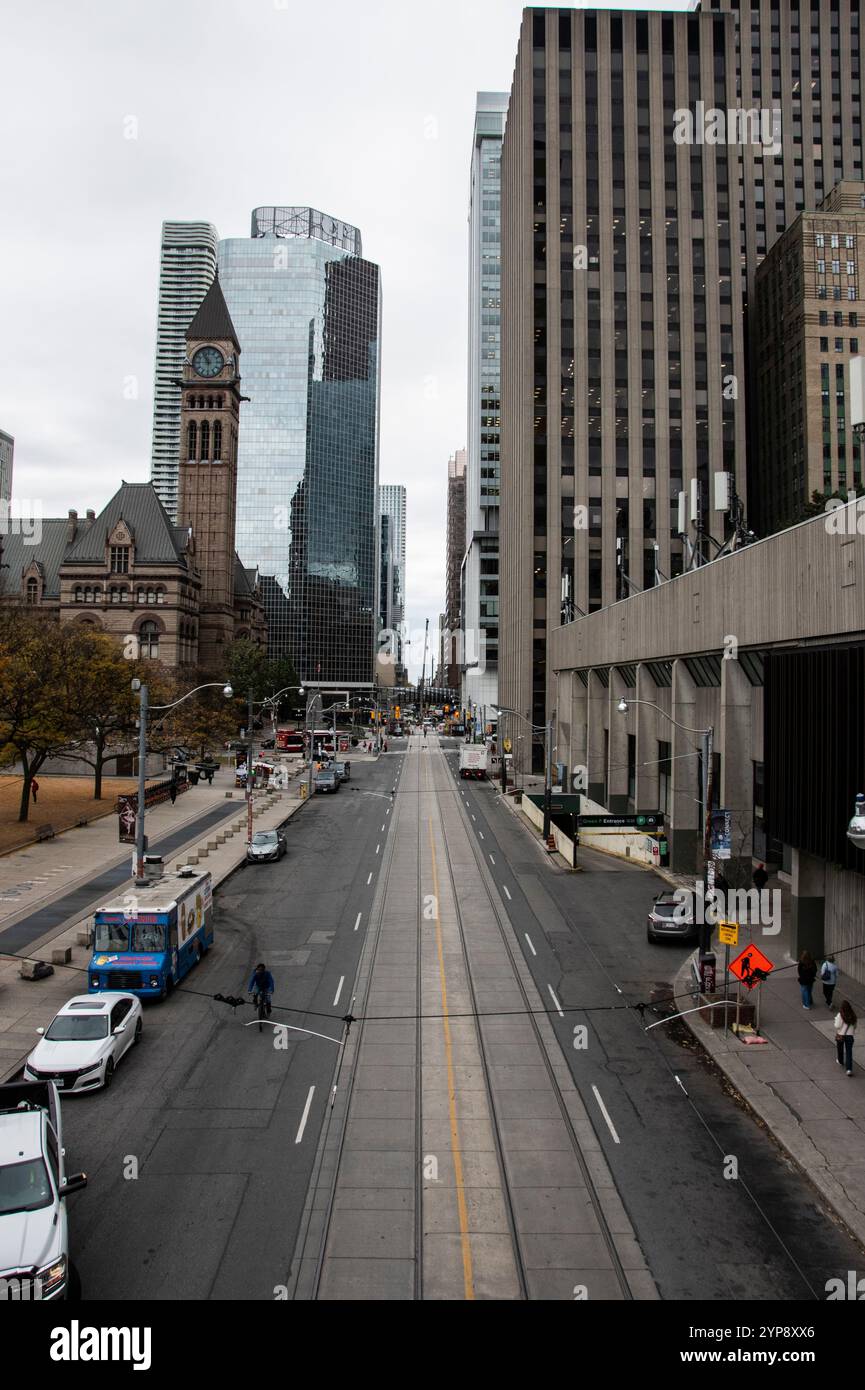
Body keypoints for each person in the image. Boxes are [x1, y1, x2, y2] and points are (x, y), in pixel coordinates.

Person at [835, 1000, 857, 1076]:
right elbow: (855, 1026)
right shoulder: (853, 1015)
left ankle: (840, 1061)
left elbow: (837, 1025)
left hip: (841, 1035)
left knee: (840, 1049)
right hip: (850, 1036)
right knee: (849, 1052)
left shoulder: (841, 1015)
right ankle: (849, 1069)